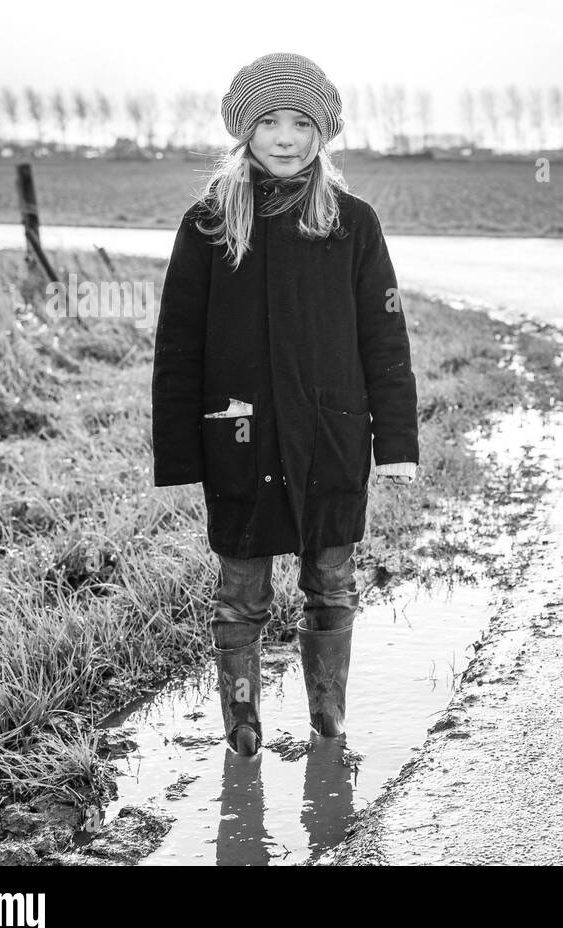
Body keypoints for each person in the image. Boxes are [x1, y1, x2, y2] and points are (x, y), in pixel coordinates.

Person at [150, 52, 419, 757]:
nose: (286, 136)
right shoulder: (208, 224)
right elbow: (178, 343)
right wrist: (180, 454)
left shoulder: (353, 223)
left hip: (330, 437)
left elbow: (384, 339)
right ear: (245, 129)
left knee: (331, 579)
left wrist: (394, 446)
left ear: (322, 133)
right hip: (239, 439)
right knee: (241, 588)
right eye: (269, 120)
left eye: (302, 122)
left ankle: (328, 717)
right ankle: (242, 723)